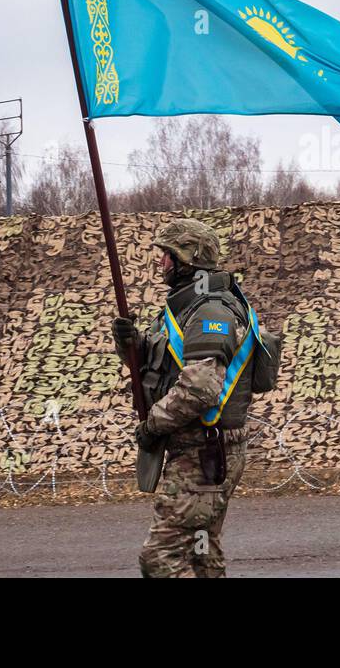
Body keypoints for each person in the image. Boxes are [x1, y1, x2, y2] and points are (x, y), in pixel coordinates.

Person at [113, 217, 280, 578]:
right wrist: (131, 344)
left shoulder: (210, 311)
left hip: (203, 453)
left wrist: (153, 424)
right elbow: (164, 364)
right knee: (202, 554)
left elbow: (201, 388)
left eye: (166, 255)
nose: (160, 263)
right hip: (199, 448)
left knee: (161, 559)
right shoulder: (188, 306)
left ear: (187, 258)